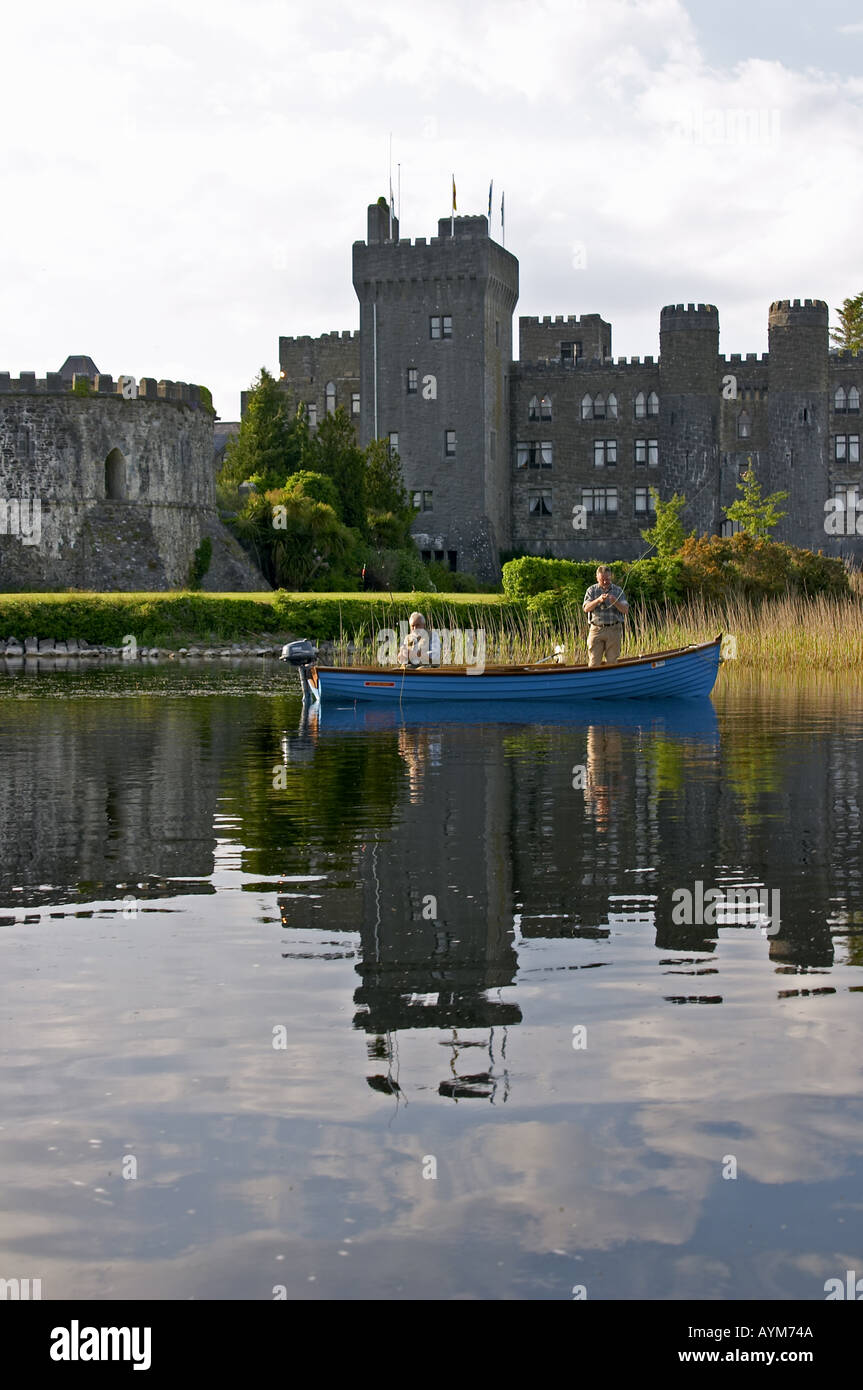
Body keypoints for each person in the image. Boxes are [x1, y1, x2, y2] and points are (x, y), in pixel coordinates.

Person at [582, 565, 628, 667]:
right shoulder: (591, 590)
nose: (605, 582)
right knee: (594, 662)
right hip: (596, 630)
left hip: (614, 629)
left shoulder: (618, 590)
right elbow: (586, 608)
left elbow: (625, 610)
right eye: (602, 580)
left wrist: (615, 602)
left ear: (610, 577)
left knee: (612, 662)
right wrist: (598, 600)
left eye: (607, 579)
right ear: (597, 578)